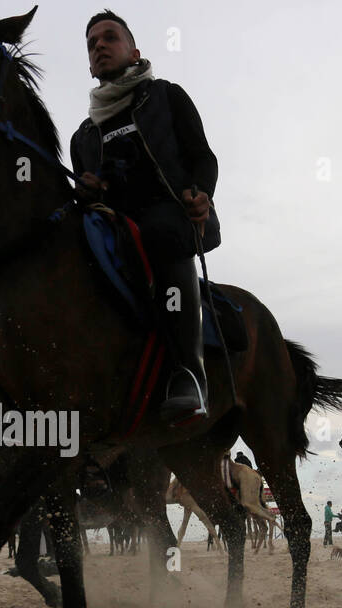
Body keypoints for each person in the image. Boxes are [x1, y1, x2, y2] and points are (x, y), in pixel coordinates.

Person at [71, 12, 220, 424]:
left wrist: (201, 194)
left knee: (159, 230)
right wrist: (87, 192)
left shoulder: (167, 97)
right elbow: (86, 200)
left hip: (174, 214)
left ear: (134, 52)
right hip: (114, 228)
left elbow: (203, 158)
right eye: (91, 44)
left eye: (109, 38)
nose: (99, 46)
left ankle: (190, 373)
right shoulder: (83, 136)